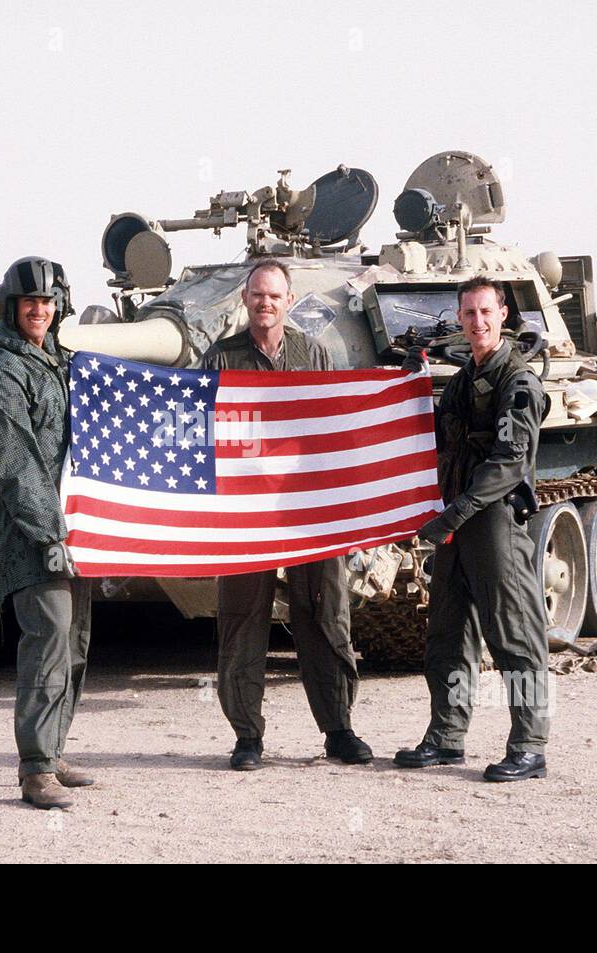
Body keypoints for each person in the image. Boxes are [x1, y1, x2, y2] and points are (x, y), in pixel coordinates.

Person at [201, 259, 373, 770]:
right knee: (241, 623)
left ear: (289, 301)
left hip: (307, 512)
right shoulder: (222, 358)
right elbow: (202, 430)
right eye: (257, 295)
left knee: (325, 615)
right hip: (247, 515)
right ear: (245, 300)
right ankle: (248, 736)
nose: (265, 303)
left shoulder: (312, 354)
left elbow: (335, 430)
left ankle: (339, 729)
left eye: (275, 296)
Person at [394, 275, 552, 781]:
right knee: (447, 632)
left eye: (486, 312)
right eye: (469, 314)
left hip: (494, 521)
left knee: (513, 635)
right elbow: (437, 440)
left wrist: (454, 514)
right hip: (458, 521)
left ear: (503, 315)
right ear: (459, 319)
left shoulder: (517, 381)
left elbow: (509, 461)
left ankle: (529, 745)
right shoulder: (464, 379)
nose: (477, 322)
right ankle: (446, 735)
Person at [0, 256, 93, 809]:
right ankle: (35, 768)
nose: (39, 311)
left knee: (74, 642)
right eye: (29, 303)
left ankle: (55, 747)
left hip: (72, 524)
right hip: (27, 530)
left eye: (47, 303)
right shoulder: (0, 371)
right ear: (11, 307)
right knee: (47, 638)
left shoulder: (55, 363)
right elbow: (16, 465)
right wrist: (50, 535)